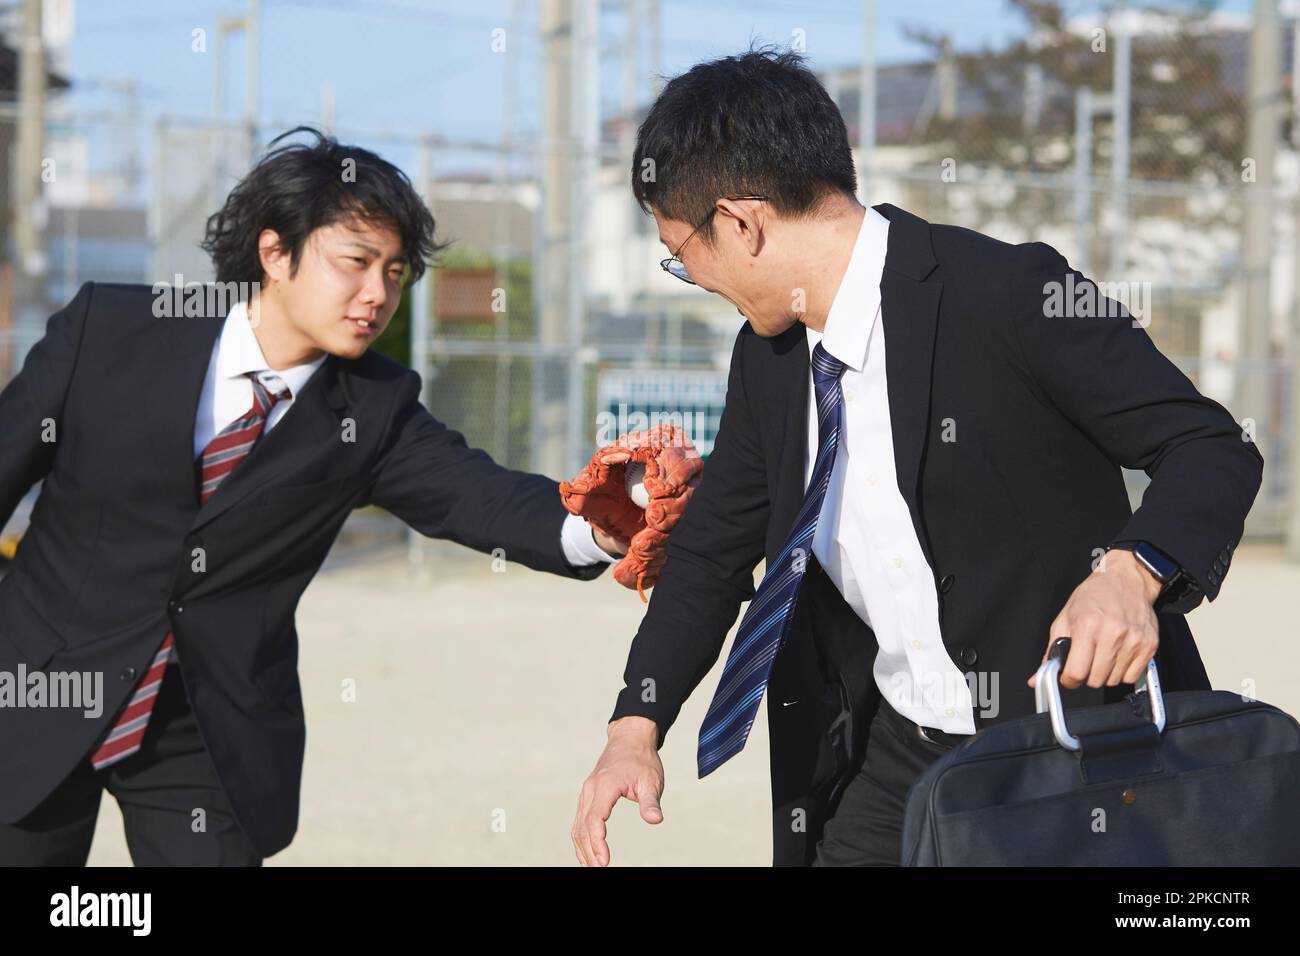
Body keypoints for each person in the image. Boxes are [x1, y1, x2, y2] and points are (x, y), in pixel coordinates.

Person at [571, 48, 1264, 867]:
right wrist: (634, 727)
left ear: (741, 223)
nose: (691, 275)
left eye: (680, 254)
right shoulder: (771, 358)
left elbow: (1210, 445)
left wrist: (1130, 573)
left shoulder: (1009, 294)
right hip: (892, 761)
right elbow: (714, 549)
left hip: (1071, 753)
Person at [0, 127, 632, 865]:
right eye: (356, 263)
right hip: (39, 691)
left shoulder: (374, 408)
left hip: (204, 726)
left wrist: (598, 523)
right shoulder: (112, 331)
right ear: (275, 254)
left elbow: (480, 498)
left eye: (396, 273)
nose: (378, 294)